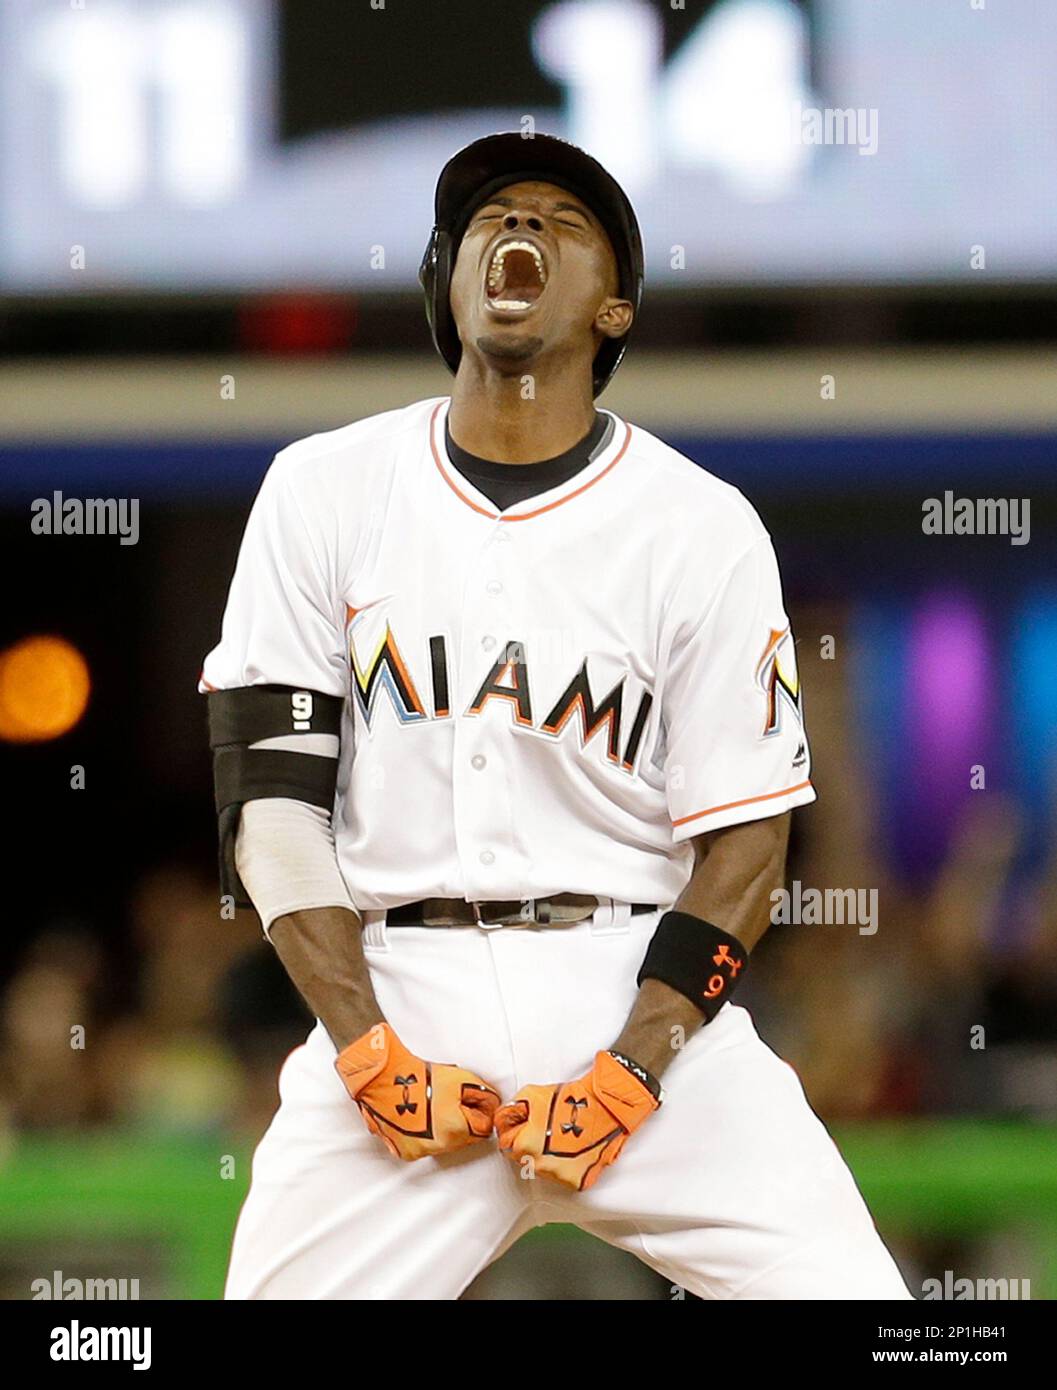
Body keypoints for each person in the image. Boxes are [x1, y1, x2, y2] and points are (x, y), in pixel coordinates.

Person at [201, 132, 912, 1300]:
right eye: (491, 219)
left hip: (632, 984)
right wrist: (364, 1047)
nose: (518, 230)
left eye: (560, 222)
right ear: (450, 279)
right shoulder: (322, 488)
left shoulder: (698, 522)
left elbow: (746, 842)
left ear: (615, 310)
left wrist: (635, 1070)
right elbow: (271, 807)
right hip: (399, 982)